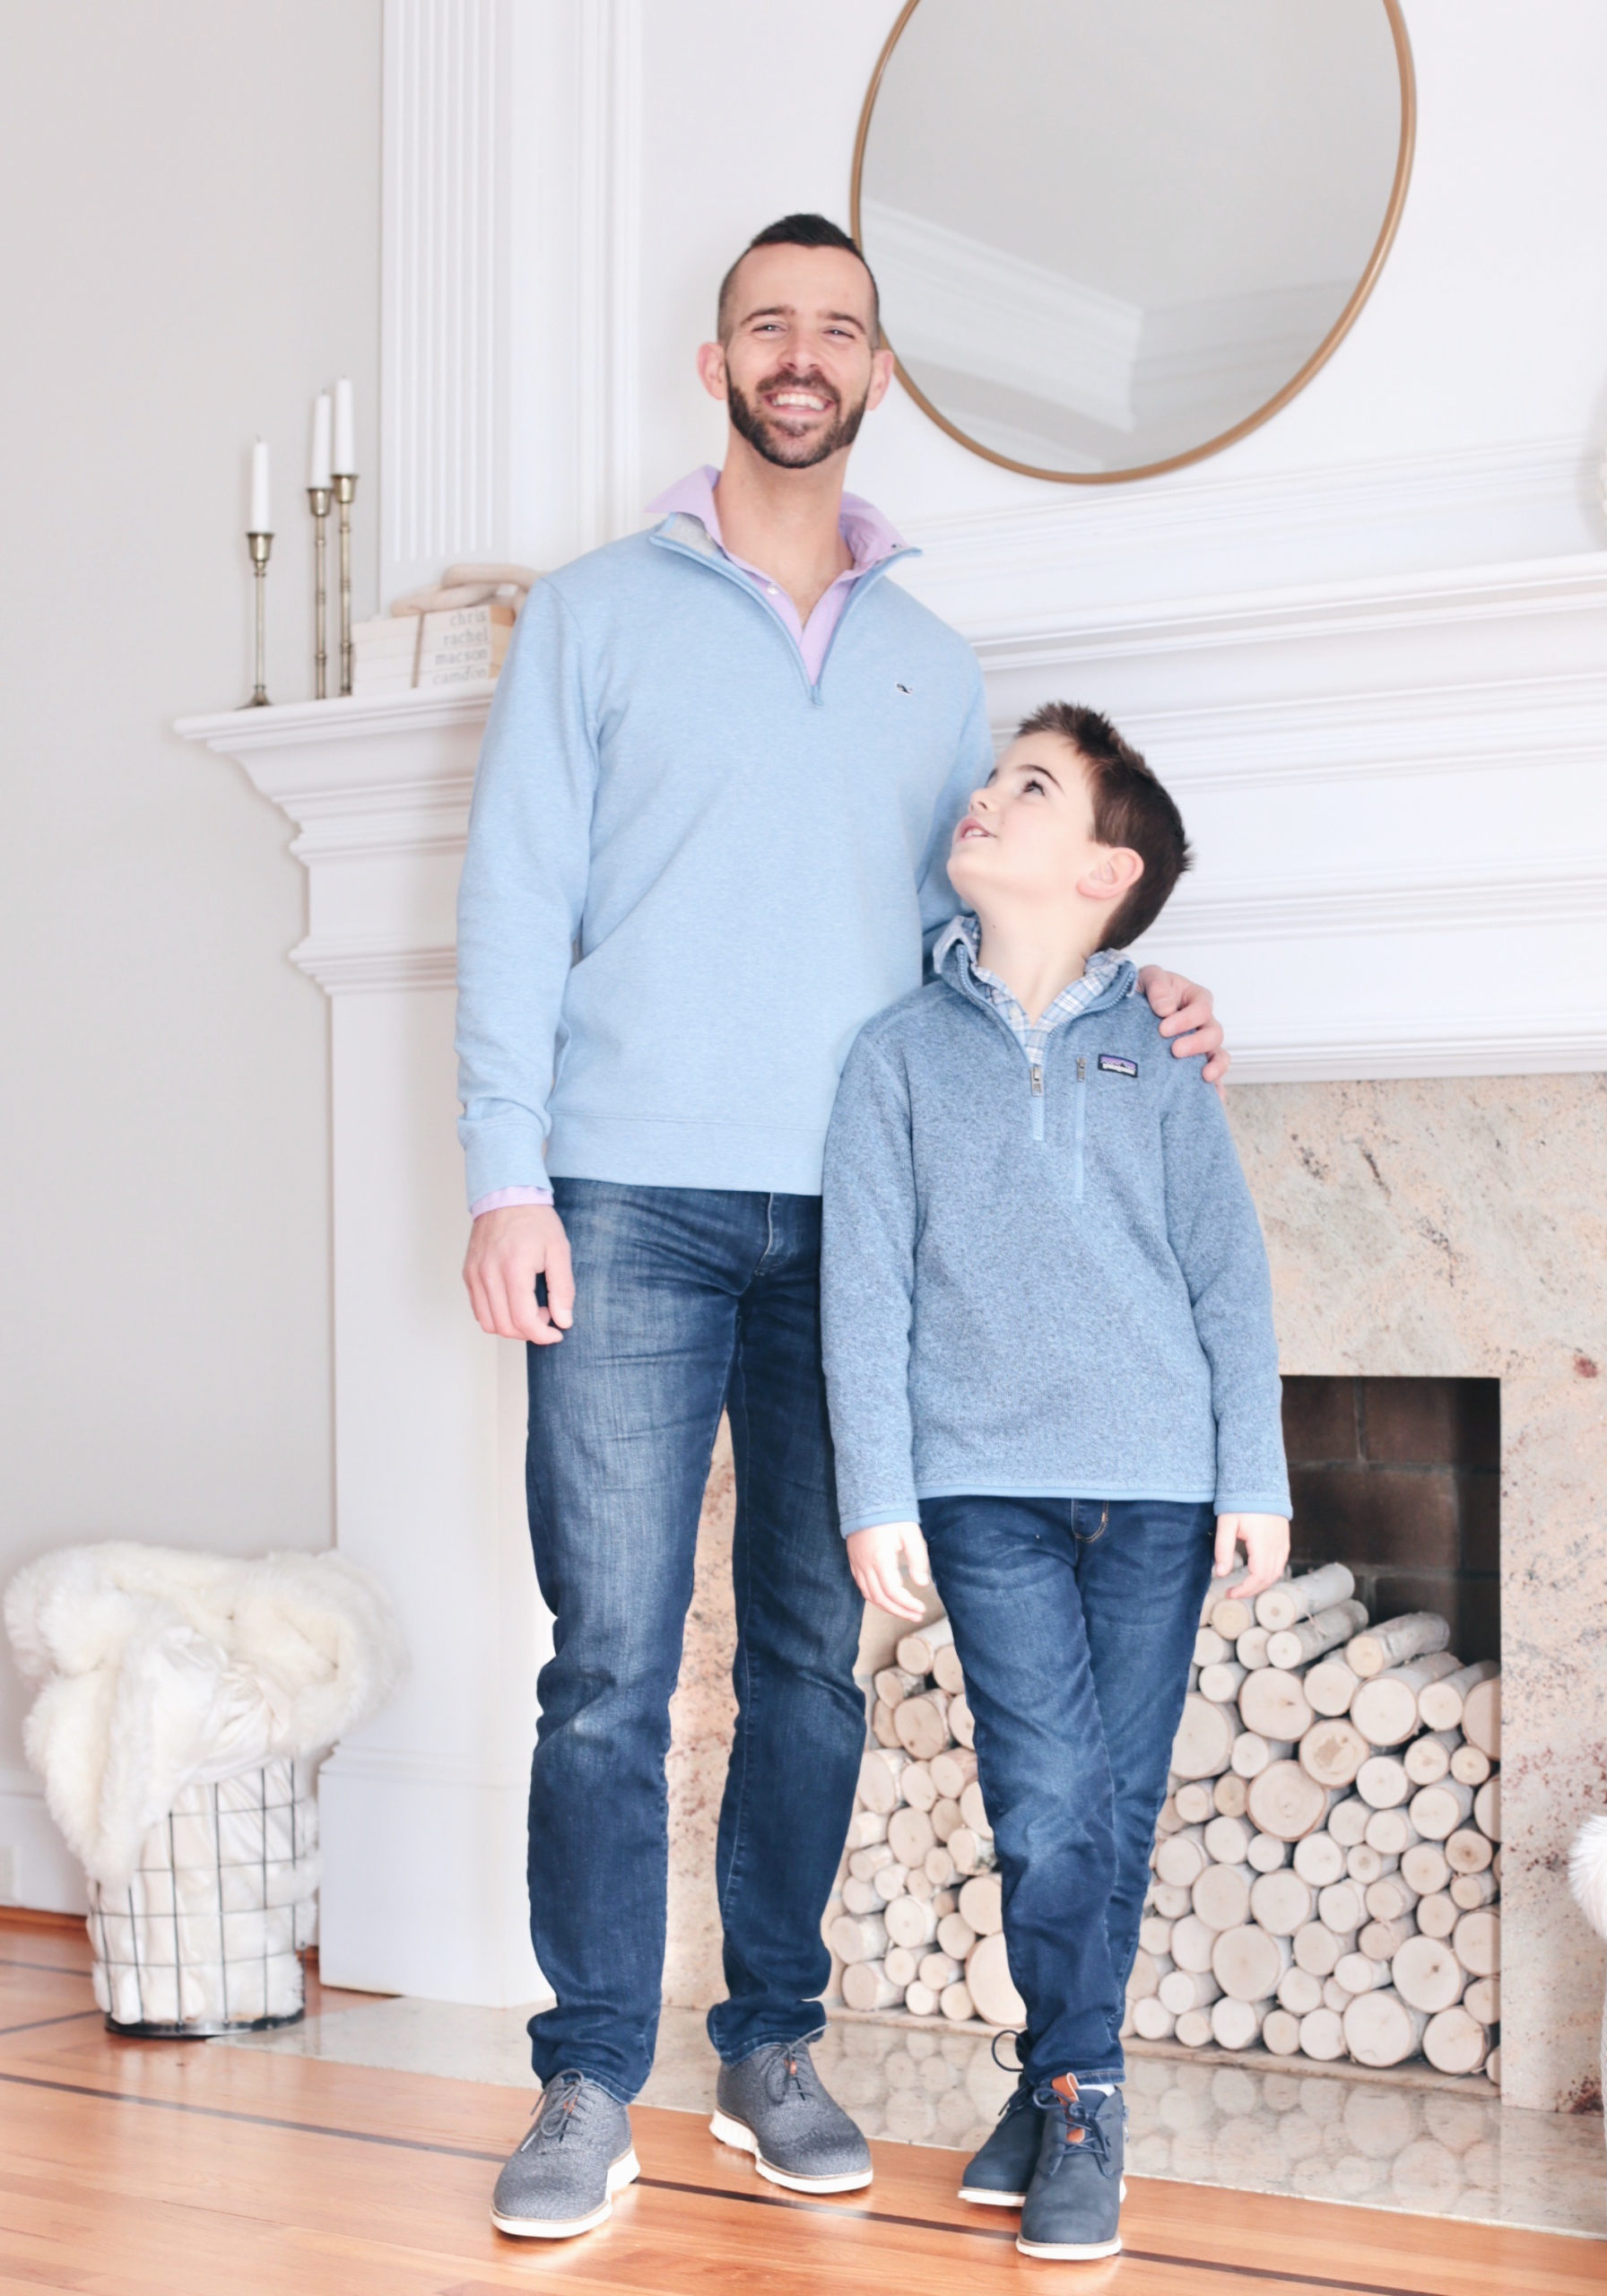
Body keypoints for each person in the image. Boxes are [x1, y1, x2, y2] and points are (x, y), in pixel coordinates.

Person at [456, 215, 1229, 2240]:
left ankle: (770, 2044)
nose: (803, 354)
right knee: (610, 1658)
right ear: (715, 361)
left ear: (874, 373)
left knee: (813, 1651)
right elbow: (516, 900)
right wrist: (503, 1174)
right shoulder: (593, 614)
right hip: (623, 1190)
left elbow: (974, 931)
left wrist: (1138, 988)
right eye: (769, 325)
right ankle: (583, 2074)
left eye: (841, 330)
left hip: (868, 1220)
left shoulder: (936, 665)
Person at [821, 702, 1291, 2264]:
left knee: (1118, 1802)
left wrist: (1254, 1470)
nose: (983, 794)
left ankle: (1052, 2080)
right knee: (1045, 1799)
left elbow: (1226, 1275)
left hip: (1157, 1485)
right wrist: (875, 1490)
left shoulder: (1155, 1048)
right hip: (984, 1492)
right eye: (992, 773)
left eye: (1028, 785)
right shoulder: (895, 1056)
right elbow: (865, 1289)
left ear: (1105, 870)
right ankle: (1092, 2091)